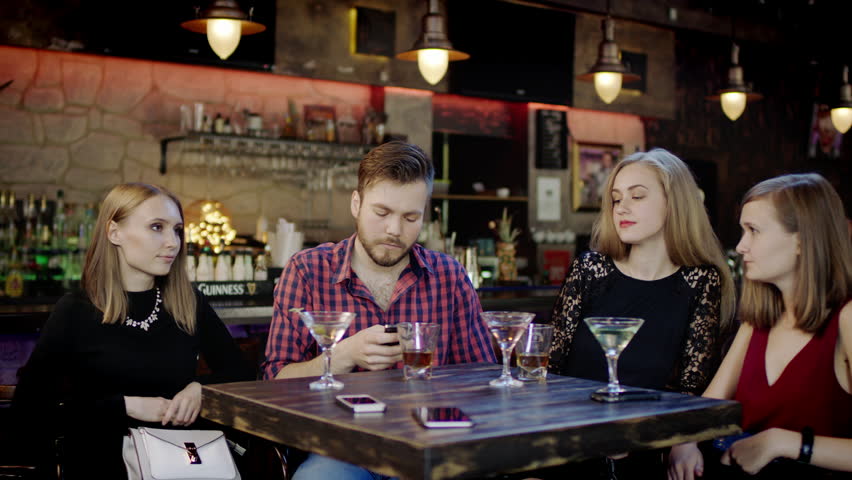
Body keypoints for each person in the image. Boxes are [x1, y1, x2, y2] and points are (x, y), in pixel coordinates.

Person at [262, 141, 497, 480]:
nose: (394, 230)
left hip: (429, 447)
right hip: (339, 450)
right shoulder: (307, 271)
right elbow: (273, 383)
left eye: (410, 217)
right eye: (382, 213)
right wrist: (342, 356)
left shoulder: (449, 276)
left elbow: (483, 379)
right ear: (356, 204)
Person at [10, 183, 253, 479]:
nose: (173, 242)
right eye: (156, 227)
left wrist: (201, 389)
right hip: (101, 463)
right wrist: (126, 406)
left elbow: (242, 373)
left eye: (177, 230)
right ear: (114, 233)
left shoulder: (189, 302)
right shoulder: (76, 310)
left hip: (181, 463)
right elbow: (29, 410)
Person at [546, 148, 736, 479]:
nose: (622, 208)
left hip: (646, 451)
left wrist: (666, 438)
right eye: (616, 199)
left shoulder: (700, 281)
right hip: (570, 443)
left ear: (674, 203)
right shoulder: (589, 271)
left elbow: (690, 388)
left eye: (637, 196)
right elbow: (551, 372)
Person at [668, 173, 852, 480]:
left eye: (753, 231)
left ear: (802, 240)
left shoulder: (846, 318)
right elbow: (709, 407)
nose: (741, 246)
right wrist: (684, 442)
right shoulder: (757, 321)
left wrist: (782, 443)